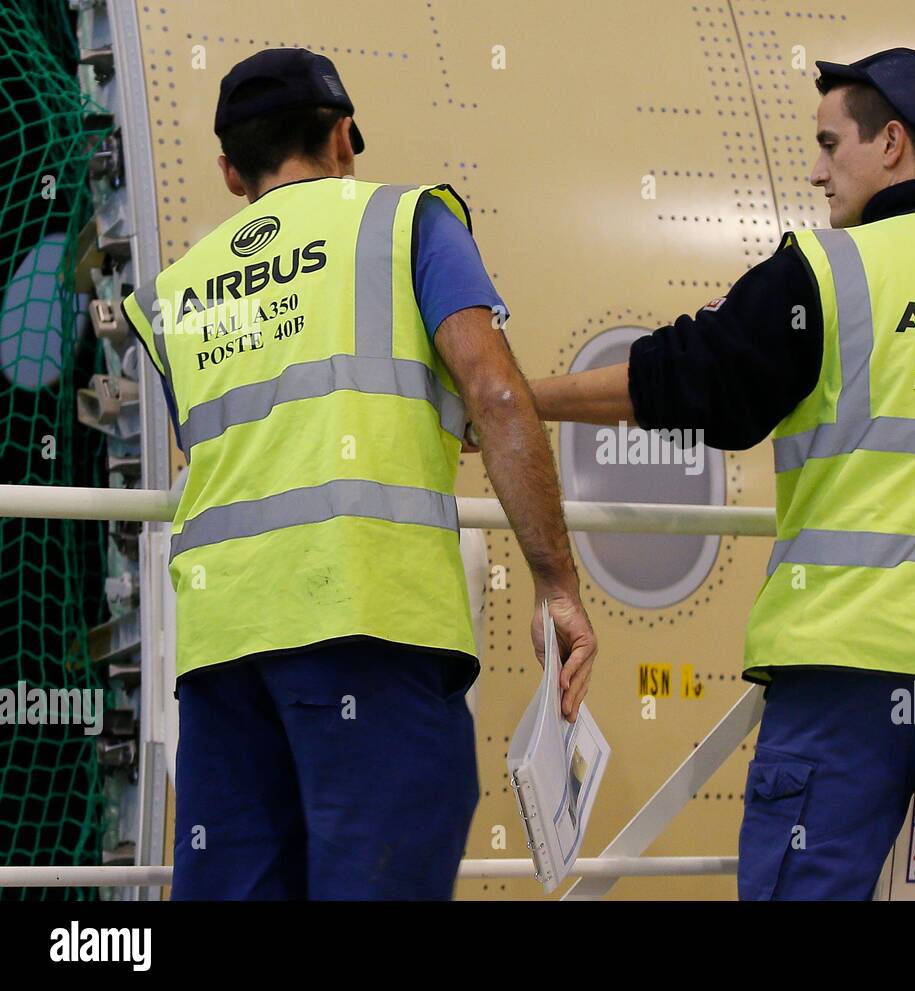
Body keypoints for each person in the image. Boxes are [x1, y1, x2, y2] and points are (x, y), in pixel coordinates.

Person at [530, 48, 915, 900]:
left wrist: (516, 400)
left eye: (832, 145)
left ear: (892, 144)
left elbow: (688, 378)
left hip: (841, 677)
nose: (817, 169)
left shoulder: (829, 276)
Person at [121, 48, 596, 900]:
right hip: (370, 627)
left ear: (232, 171)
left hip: (224, 650)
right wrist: (555, 582)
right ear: (344, 137)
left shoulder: (174, 292)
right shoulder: (407, 221)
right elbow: (494, 390)